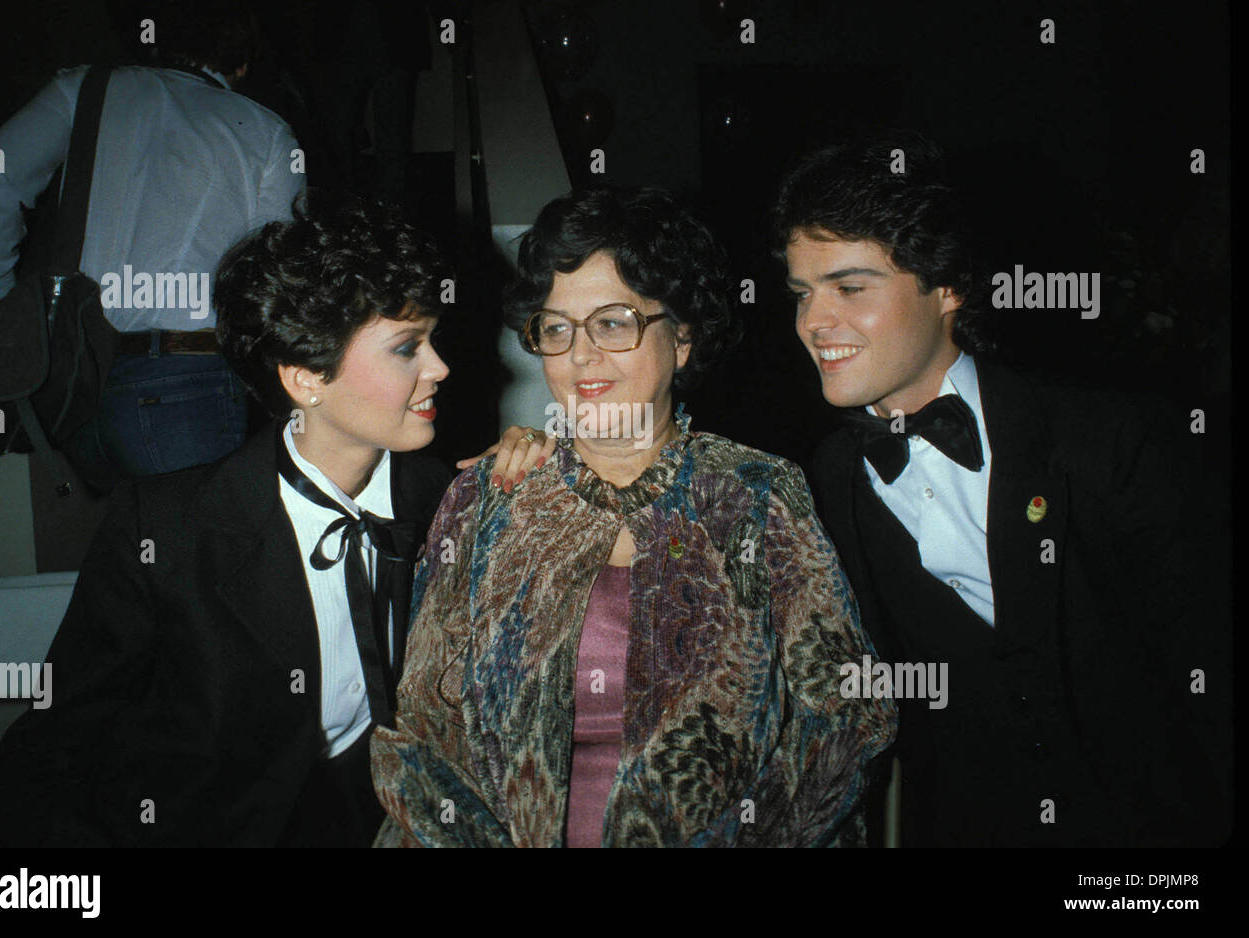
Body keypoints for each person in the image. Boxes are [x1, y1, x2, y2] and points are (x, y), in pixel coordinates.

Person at [370, 185, 896, 847]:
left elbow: (846, 718)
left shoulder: (756, 495)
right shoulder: (487, 498)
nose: (580, 354)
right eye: (556, 327)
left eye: (614, 322)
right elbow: (422, 733)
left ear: (681, 339)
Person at [774, 134, 1230, 846]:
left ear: (947, 287)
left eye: (850, 287)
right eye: (802, 293)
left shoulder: (1113, 440)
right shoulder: (822, 481)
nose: (813, 322)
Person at [0, 193, 452, 846]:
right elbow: (58, 742)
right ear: (306, 378)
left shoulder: (447, 500)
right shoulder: (166, 530)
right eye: (408, 348)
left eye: (434, 339)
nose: (440, 367)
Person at [0, 1, 304, 488]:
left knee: (130, 550)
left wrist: (3, 301)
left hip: (74, 376)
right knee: (192, 555)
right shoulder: (268, 131)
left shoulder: (81, 90)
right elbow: (270, 274)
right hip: (189, 379)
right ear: (242, 63)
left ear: (155, 39)